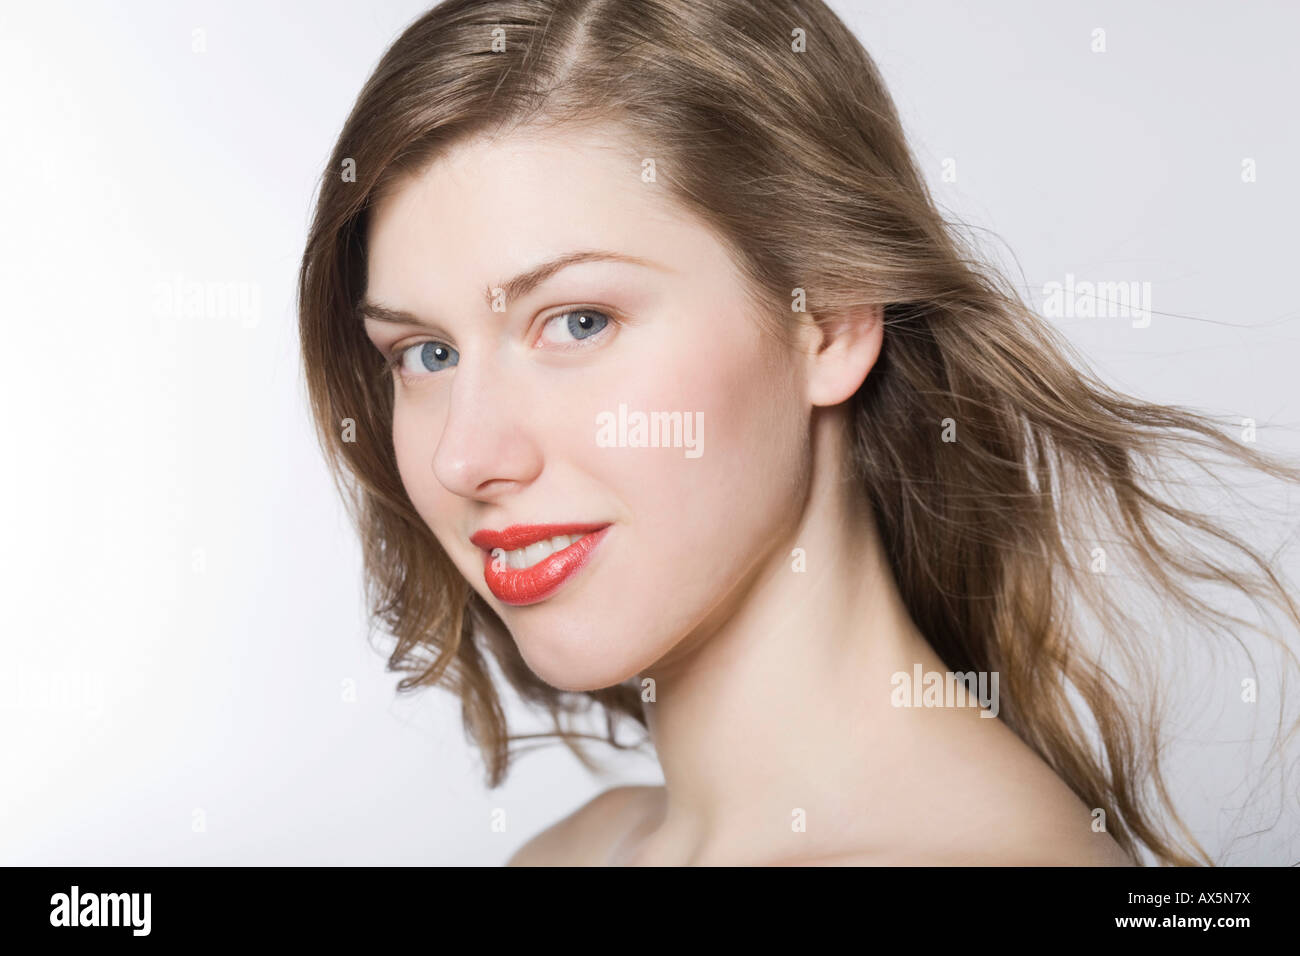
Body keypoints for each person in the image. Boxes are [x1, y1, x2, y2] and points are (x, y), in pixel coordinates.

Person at [297, 0, 1300, 866]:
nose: (464, 457)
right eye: (425, 353)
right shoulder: (577, 846)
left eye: (578, 321)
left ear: (830, 320)